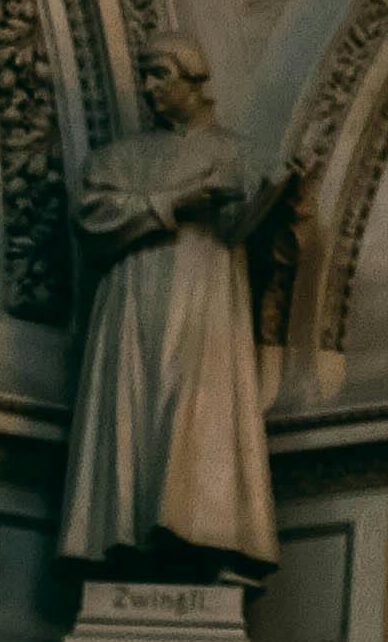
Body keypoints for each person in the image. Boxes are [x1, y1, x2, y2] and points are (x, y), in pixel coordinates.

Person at [58, 42, 277, 567]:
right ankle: (121, 535)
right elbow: (91, 219)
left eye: (161, 75)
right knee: (131, 404)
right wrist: (173, 202)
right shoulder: (117, 158)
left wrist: (288, 207)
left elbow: (262, 243)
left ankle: (200, 528)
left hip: (209, 295)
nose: (150, 88)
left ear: (194, 80)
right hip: (132, 301)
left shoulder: (238, 153)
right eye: (146, 77)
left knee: (198, 405)